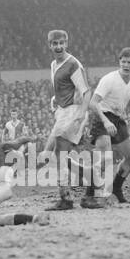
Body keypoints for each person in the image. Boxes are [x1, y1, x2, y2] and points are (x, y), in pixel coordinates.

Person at [38, 29, 94, 211]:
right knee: (57, 155)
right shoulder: (54, 64)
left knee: (58, 153)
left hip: (73, 112)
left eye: (61, 43)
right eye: (55, 43)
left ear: (66, 43)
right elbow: (65, 88)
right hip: (63, 111)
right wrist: (56, 99)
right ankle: (90, 176)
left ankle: (66, 198)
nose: (59, 46)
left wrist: (81, 114)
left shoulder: (73, 64)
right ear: (50, 45)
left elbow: (86, 92)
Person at [87, 47, 130, 204]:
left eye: (129, 62)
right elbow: (93, 103)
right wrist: (105, 121)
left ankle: (116, 188)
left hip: (117, 119)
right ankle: (89, 196)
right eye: (123, 62)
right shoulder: (109, 79)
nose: (126, 65)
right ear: (119, 62)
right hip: (102, 117)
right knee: (104, 159)